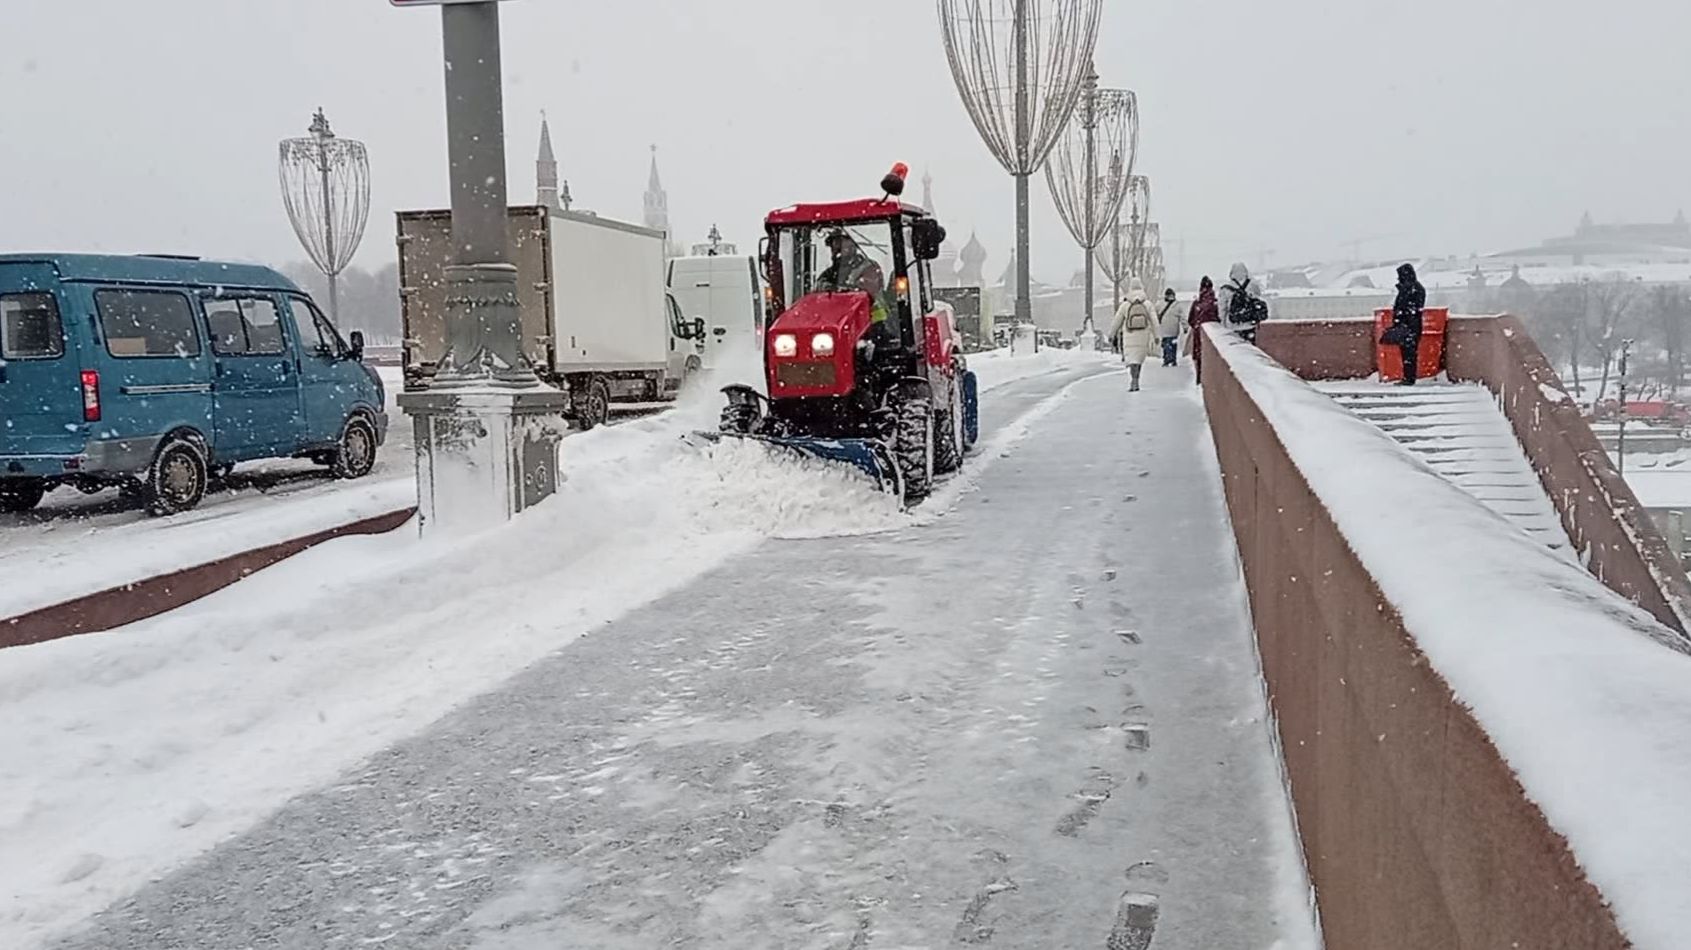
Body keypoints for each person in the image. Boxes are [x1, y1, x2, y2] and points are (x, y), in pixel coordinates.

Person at [818, 229, 891, 337]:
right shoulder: (831, 273)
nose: (837, 249)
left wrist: (839, 291)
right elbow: (818, 289)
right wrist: (826, 288)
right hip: (840, 326)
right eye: (834, 245)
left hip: (872, 324)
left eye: (841, 243)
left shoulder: (868, 267)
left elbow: (866, 292)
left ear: (853, 245)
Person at [1111, 278, 1156, 392]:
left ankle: (1133, 379)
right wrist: (1157, 336)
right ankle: (1137, 378)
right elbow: (1154, 321)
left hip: (1129, 334)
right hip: (1143, 335)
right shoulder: (1147, 304)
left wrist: (1112, 334)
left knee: (1132, 360)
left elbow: (1117, 321)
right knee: (1138, 359)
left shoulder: (1125, 305)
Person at [1389, 262, 1426, 385]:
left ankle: (1409, 378)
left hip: (1410, 326)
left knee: (1409, 353)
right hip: (1408, 326)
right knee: (1406, 353)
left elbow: (1411, 308)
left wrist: (1402, 319)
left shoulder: (1414, 289)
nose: (1398, 278)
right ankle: (1408, 377)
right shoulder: (1410, 288)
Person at [1219, 262, 1268, 344]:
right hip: (1249, 324)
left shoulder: (1226, 288)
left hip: (1232, 324)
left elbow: (1222, 308)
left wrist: (1223, 324)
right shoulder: (1253, 285)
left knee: (1234, 348)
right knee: (1250, 348)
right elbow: (1257, 301)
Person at [1188, 276, 1220, 385]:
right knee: (1210, 359)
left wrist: (1197, 326)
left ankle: (1199, 379)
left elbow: (1190, 320)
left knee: (1200, 357)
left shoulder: (1197, 303)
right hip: (1213, 337)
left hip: (1198, 334)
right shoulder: (1215, 303)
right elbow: (1220, 319)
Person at [1155, 287, 1185, 367]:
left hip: (1164, 329)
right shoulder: (1178, 305)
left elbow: (1155, 315)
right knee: (1173, 344)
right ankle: (1173, 359)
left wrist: (1155, 325)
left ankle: (1167, 358)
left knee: (1166, 344)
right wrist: (1185, 327)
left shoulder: (1159, 304)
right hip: (1174, 329)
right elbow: (1183, 317)